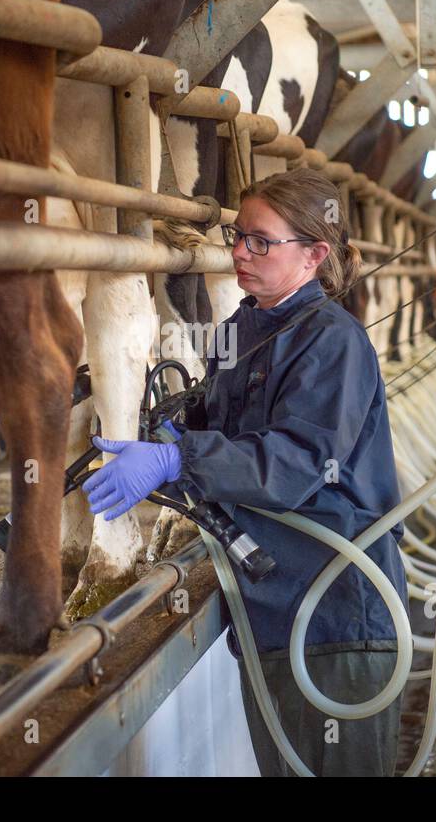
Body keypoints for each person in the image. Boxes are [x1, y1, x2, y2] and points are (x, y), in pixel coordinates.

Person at [82, 168, 407, 777]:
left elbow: (296, 465)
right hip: (272, 615)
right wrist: (163, 441)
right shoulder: (241, 332)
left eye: (261, 241)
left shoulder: (332, 341)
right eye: (237, 236)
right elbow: (224, 443)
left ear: (314, 254)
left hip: (335, 616)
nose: (238, 252)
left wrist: (179, 457)